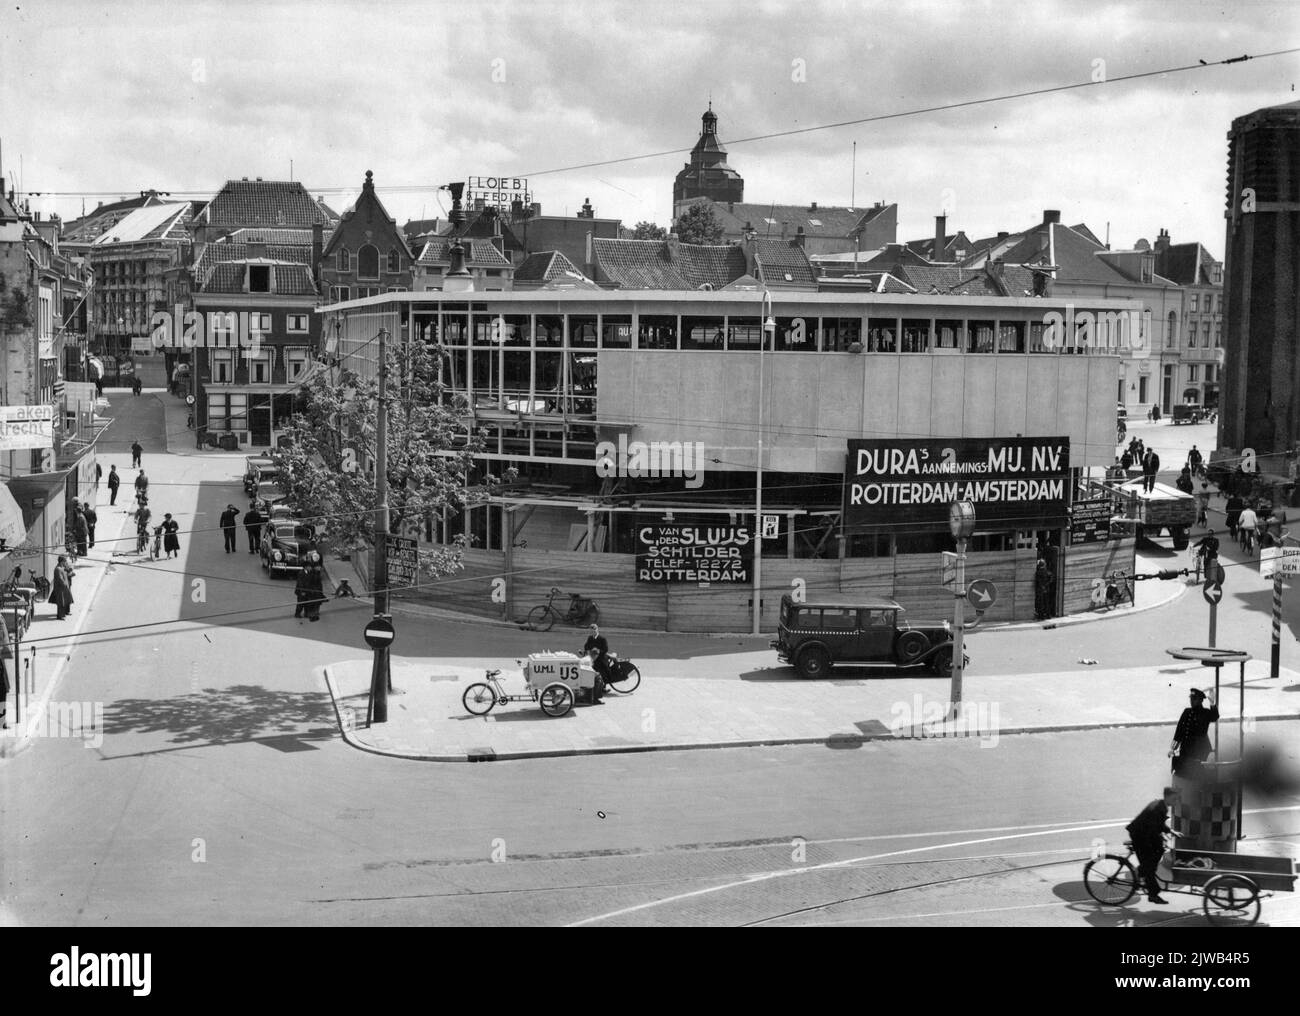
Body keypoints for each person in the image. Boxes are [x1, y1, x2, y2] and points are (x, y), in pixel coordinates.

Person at [1125, 788, 1179, 904]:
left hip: (1145, 833)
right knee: (1149, 864)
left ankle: (1142, 872)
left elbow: (1158, 824)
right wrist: (1162, 837)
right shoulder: (1157, 808)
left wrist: (1170, 832)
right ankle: (1153, 894)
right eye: (1174, 799)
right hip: (1139, 836)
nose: (1176, 801)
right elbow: (1152, 828)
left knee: (1158, 852)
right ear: (1167, 797)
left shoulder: (1161, 805)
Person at [1170, 688, 1219, 775]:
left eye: (1194, 699)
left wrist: (1212, 703)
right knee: (1182, 770)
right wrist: (1173, 749)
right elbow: (1180, 729)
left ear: (1200, 700)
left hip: (1199, 750)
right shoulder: (1187, 711)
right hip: (1186, 749)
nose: (1191, 701)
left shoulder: (1205, 713)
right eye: (1191, 699)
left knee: (1197, 772)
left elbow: (1215, 716)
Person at [581, 623, 610, 704]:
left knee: (602, 670)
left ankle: (602, 687)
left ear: (597, 630)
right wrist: (588, 651)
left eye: (594, 630)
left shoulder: (602, 639)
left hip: (600, 658)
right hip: (592, 657)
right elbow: (586, 646)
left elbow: (605, 649)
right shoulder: (590, 638)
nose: (593, 632)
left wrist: (598, 652)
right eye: (591, 631)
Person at [51, 555, 74, 620]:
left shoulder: (62, 568)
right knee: (60, 602)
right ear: (61, 562)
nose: (65, 563)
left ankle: (63, 614)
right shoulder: (58, 569)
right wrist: (65, 584)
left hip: (64, 588)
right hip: (60, 588)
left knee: (63, 602)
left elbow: (65, 575)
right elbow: (60, 579)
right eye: (64, 561)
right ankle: (60, 616)